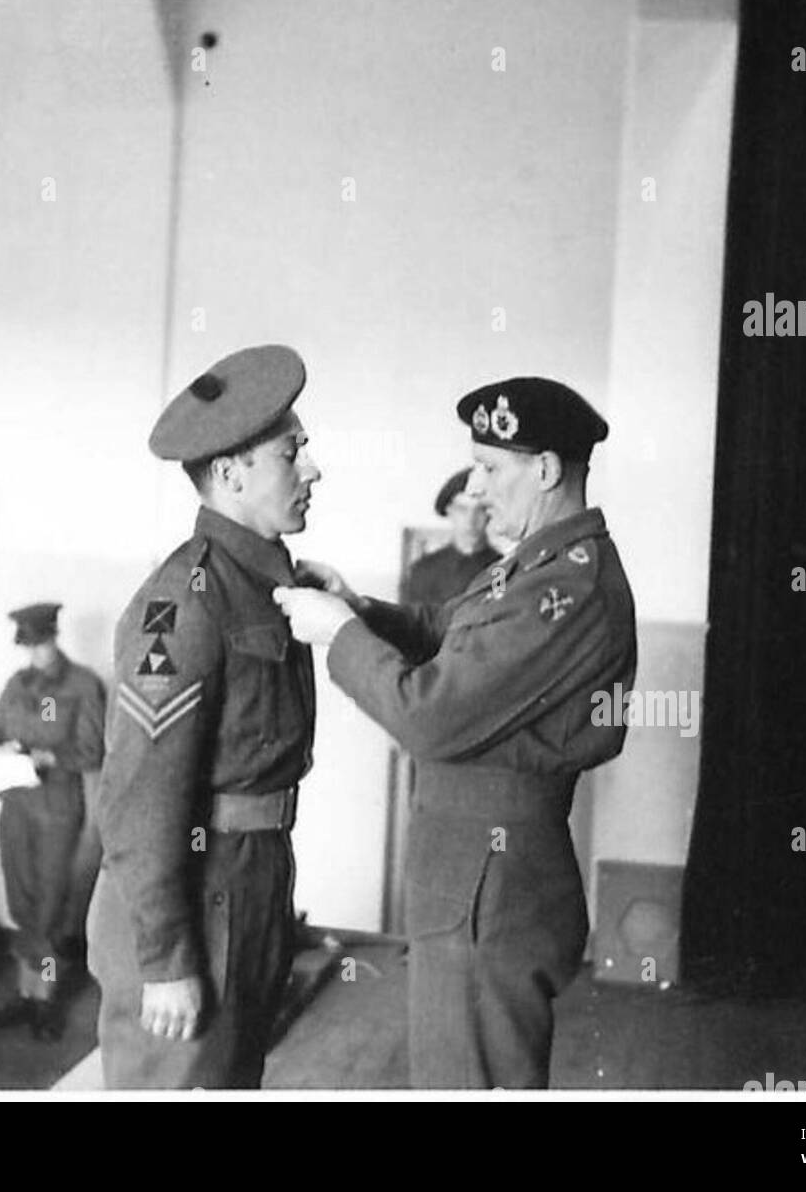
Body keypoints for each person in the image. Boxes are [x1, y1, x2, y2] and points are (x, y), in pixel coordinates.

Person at [275, 377, 637, 1089]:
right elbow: (449, 632)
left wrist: (339, 634)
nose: (475, 488)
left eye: (491, 468)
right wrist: (358, 605)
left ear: (545, 470)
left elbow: (430, 716)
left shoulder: (568, 586)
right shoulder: (539, 563)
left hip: (488, 888)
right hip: (473, 877)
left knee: (466, 1081)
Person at [87, 344, 320, 1088]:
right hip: (192, 896)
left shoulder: (266, 584)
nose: (312, 471)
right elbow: (139, 795)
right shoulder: (180, 603)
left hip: (250, 881)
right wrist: (164, 960)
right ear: (231, 475)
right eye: (292, 455)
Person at [0, 602, 105, 1041]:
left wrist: (51, 757)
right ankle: (24, 993)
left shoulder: (84, 685)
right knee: (22, 904)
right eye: (29, 646)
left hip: (56, 809)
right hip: (15, 806)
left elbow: (94, 751)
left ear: (55, 636)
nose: (36, 653)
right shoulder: (17, 684)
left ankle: (45, 999)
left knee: (51, 909)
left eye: (42, 643)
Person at [402, 467, 497, 604]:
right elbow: (410, 620)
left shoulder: (500, 570)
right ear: (449, 511)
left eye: (480, 510)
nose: (471, 520)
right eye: (462, 510)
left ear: (490, 514)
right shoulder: (423, 571)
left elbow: (503, 618)